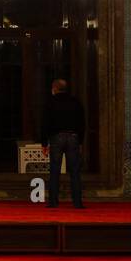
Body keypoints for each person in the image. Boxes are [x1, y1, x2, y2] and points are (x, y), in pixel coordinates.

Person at [41, 79, 85, 209]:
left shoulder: (50, 103)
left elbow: (45, 124)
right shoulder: (75, 102)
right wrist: (80, 141)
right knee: (75, 172)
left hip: (56, 138)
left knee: (55, 170)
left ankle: (53, 202)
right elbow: (82, 123)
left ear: (54, 88)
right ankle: (77, 203)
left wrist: (44, 143)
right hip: (73, 137)